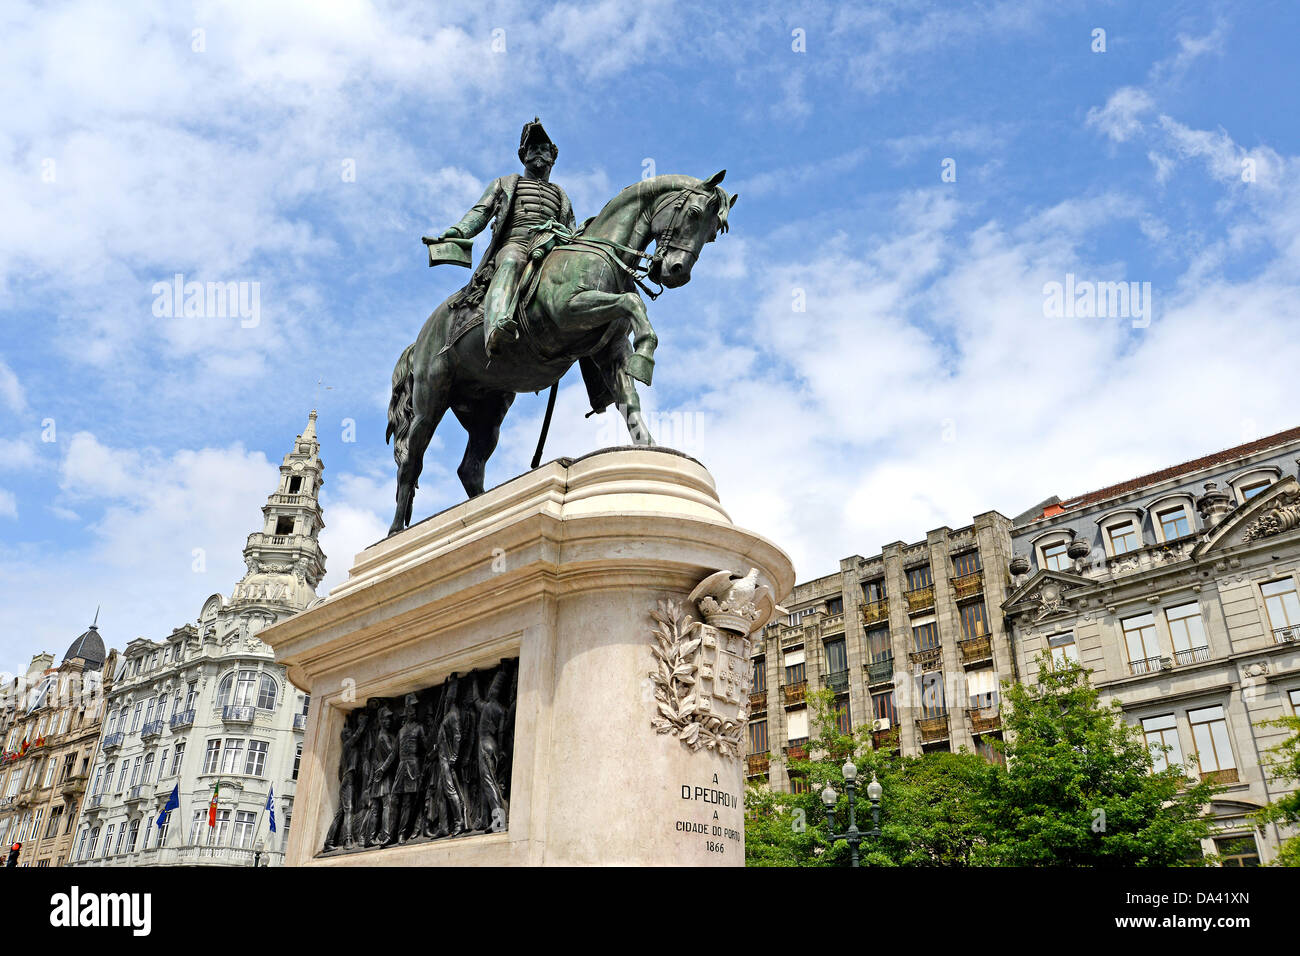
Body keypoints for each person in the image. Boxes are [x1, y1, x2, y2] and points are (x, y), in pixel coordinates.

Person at [430, 118, 576, 358]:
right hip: (516, 245)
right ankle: (497, 327)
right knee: (510, 262)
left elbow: (571, 228)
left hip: (552, 249)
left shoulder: (561, 194)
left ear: (552, 157)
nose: (537, 152)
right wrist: (458, 231)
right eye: (532, 148)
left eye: (543, 148)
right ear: (523, 155)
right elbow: (481, 212)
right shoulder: (506, 183)